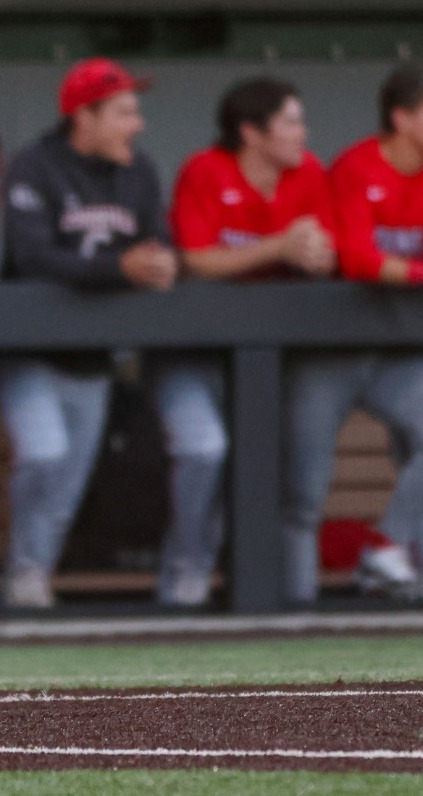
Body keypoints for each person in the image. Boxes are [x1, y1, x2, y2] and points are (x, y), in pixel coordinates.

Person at [0, 57, 176, 608]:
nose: (136, 124)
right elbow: (33, 258)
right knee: (44, 455)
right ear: (84, 116)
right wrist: (120, 269)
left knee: (67, 487)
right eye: (124, 112)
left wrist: (160, 263)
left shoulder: (137, 172)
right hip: (26, 351)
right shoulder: (35, 167)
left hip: (93, 358)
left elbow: (158, 242)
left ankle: (29, 584)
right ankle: (24, 576)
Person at [158, 76, 336, 605]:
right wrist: (280, 247)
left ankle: (277, 597)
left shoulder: (308, 173)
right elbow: (197, 260)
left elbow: (327, 253)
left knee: (269, 471)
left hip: (272, 355)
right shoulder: (206, 170)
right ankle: (186, 576)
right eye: (291, 122)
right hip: (192, 348)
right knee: (204, 450)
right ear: (252, 133)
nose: (303, 133)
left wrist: (316, 253)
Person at [283, 63, 423, 602]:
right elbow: (361, 259)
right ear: (403, 118)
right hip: (329, 349)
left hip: (395, 352)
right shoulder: (358, 167)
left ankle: (387, 549)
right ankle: (291, 619)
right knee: (302, 495)